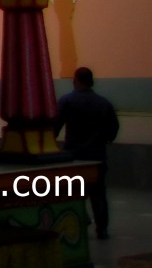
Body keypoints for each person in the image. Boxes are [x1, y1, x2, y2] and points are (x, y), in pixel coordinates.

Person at [56, 66, 119, 239]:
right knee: (98, 195)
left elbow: (55, 126)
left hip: (73, 157)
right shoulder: (104, 103)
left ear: (75, 80)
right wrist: (103, 140)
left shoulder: (67, 101)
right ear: (91, 82)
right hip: (97, 156)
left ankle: (76, 223)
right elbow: (113, 129)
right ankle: (102, 229)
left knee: (72, 194)